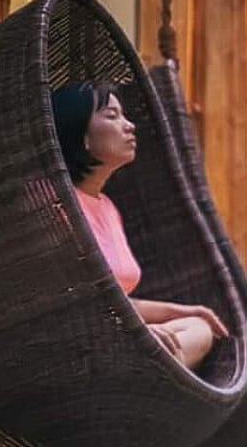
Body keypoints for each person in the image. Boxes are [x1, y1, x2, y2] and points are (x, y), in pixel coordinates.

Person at [51, 81, 227, 368]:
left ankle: (158, 369)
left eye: (125, 115)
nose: (129, 125)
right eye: (112, 116)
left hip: (122, 338)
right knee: (175, 344)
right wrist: (136, 334)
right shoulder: (57, 206)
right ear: (82, 134)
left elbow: (117, 302)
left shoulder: (107, 208)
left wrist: (178, 311)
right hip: (80, 346)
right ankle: (158, 372)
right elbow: (68, 303)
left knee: (198, 326)